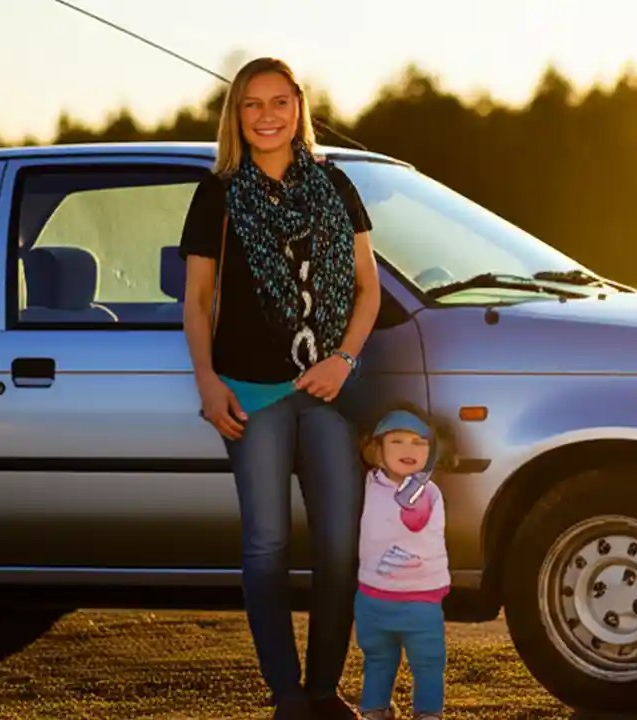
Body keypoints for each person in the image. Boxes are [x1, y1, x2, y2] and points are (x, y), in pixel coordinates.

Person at [180, 56, 381, 720]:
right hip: (250, 391)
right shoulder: (218, 194)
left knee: (337, 542)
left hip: (328, 389)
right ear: (236, 116)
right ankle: (287, 697)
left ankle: (325, 691)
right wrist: (208, 383)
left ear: (299, 106)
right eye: (252, 105)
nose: (267, 115)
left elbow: (367, 288)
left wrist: (343, 361)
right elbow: (198, 299)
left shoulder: (334, 184)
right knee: (266, 542)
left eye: (279, 102)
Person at [354, 406, 450, 720]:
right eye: (397, 441)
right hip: (373, 597)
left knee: (428, 662)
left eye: (419, 442)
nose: (409, 449)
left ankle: (427, 713)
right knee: (378, 659)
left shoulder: (427, 493)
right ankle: (374, 710)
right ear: (377, 450)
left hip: (419, 599)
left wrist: (414, 493)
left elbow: (415, 519)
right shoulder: (367, 485)